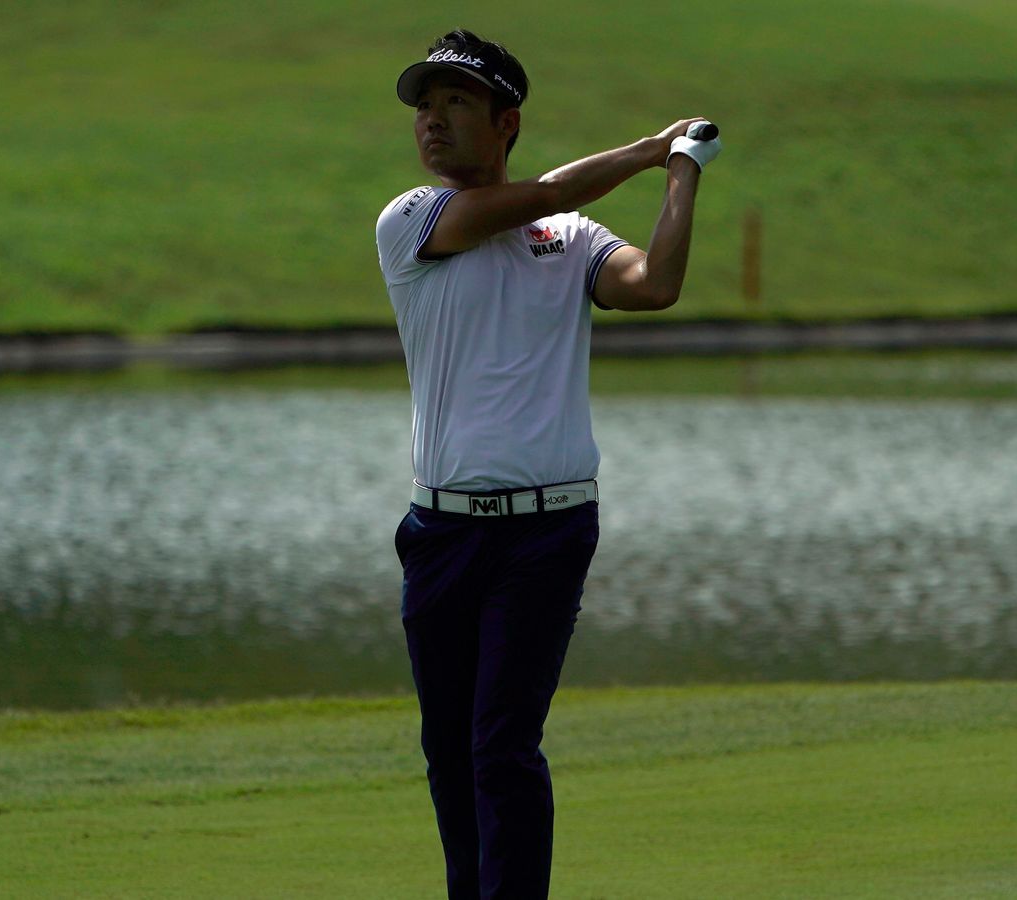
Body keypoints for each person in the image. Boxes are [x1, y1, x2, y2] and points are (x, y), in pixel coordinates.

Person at [374, 29, 721, 900]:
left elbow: (654, 285)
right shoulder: (412, 221)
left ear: (506, 122)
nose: (432, 121)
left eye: (455, 102)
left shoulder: (570, 240)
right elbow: (548, 189)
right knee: (450, 748)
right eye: (425, 104)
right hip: (441, 532)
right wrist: (652, 147)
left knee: (501, 744)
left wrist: (682, 174)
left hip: (548, 533)